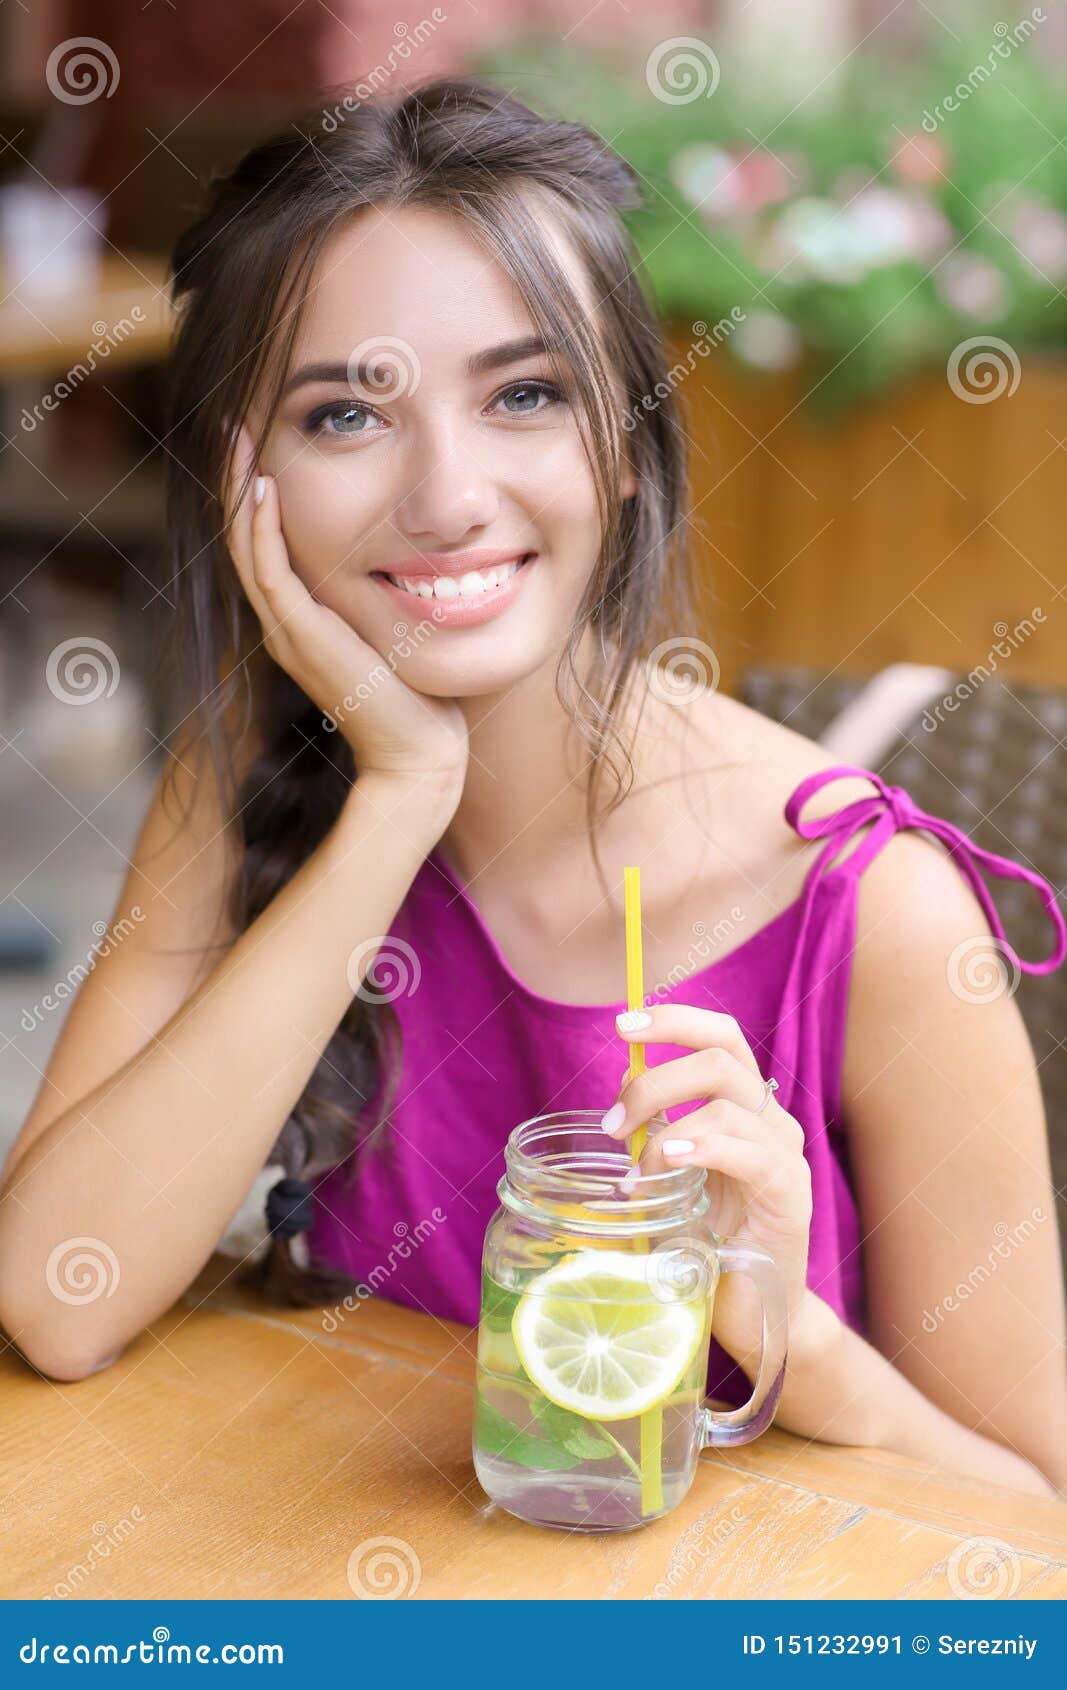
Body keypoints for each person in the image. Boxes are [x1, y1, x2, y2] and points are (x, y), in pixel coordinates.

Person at [1, 77, 1064, 1501]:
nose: (447, 496)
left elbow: (1034, 1522)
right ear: (246, 486)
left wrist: (779, 1326)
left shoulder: (876, 912)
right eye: (343, 415)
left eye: (524, 395)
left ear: (624, 441)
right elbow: (58, 1297)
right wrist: (399, 799)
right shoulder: (253, 769)